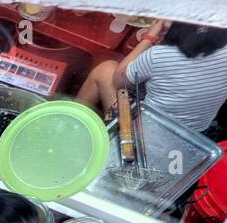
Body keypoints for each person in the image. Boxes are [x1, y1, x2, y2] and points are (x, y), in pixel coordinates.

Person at [78, 20, 227, 136]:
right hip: (195, 135)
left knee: (105, 70)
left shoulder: (158, 55)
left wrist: (149, 37)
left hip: (144, 136)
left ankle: (74, 122)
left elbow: (119, 82)